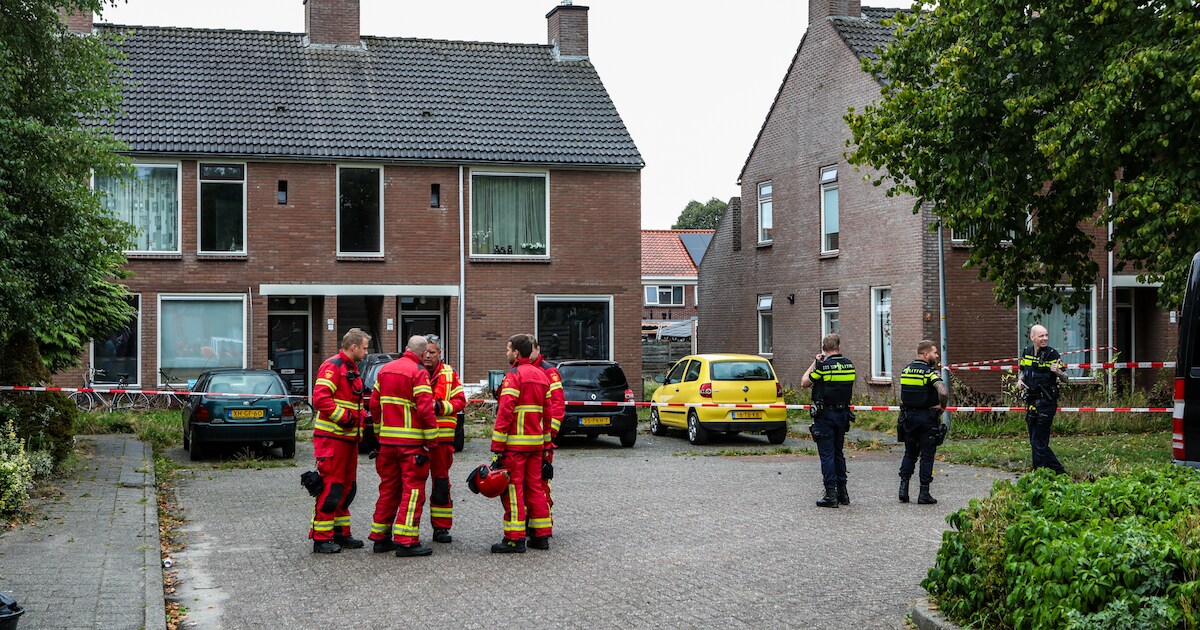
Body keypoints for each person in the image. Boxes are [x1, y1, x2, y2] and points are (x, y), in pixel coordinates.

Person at [367, 335, 439, 557]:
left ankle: (380, 538)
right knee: (413, 491)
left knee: (388, 489)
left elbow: (374, 404)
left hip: (387, 444)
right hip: (411, 446)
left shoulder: (386, 370)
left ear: (406, 348)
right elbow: (426, 410)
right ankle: (406, 541)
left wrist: (379, 433)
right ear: (422, 352)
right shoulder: (418, 373)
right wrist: (432, 441)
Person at [490, 333, 553, 553]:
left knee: (514, 490)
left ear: (516, 352)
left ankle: (515, 539)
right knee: (535, 488)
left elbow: (505, 413)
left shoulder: (514, 376)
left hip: (515, 447)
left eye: (508, 350)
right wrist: (546, 446)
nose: (506, 353)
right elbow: (548, 414)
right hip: (536, 446)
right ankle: (541, 536)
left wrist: (497, 447)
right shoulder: (541, 375)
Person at [309, 328, 370, 553]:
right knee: (332, 488)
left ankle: (341, 533)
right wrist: (344, 418)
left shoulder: (351, 368)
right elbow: (321, 399)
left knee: (347, 488)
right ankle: (321, 538)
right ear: (353, 347)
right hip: (332, 439)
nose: (366, 352)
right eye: (364, 348)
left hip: (348, 440)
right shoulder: (333, 366)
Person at [800, 333, 856, 508]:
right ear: (839, 347)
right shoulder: (849, 366)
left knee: (827, 456)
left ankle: (830, 495)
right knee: (838, 453)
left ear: (824, 349)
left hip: (825, 417)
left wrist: (816, 362)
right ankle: (843, 493)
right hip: (842, 415)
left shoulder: (823, 367)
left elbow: (804, 382)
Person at [421, 334, 466, 544]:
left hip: (442, 441)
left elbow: (460, 401)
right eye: (425, 352)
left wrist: (439, 407)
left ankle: (441, 528)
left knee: (441, 484)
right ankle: (408, 529)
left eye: (432, 352)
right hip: (417, 439)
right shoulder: (414, 372)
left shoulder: (450, 373)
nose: (427, 356)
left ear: (440, 354)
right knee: (413, 486)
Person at [897, 340, 949, 505]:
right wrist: (942, 407)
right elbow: (943, 390)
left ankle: (903, 490)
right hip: (926, 418)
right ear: (926, 355)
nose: (937, 355)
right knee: (927, 455)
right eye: (934, 352)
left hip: (908, 418)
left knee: (910, 453)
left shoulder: (906, 370)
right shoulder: (929, 372)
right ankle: (924, 493)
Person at [1016, 324, 1069, 475]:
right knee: (1034, 441)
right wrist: (1020, 381)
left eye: (1046, 335)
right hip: (1031, 401)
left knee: (1039, 442)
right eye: (1041, 336)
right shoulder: (1027, 352)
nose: (1045, 338)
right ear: (1033, 337)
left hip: (1046, 402)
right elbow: (1022, 371)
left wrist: (1058, 372)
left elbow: (1066, 379)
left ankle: (1045, 474)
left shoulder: (1052, 354)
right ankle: (1054, 473)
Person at [530, 337, 565, 533]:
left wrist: (550, 435)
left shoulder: (548, 371)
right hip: (527, 440)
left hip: (541, 440)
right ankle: (530, 523)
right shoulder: (520, 370)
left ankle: (542, 527)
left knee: (541, 483)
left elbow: (558, 406)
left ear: (538, 349)